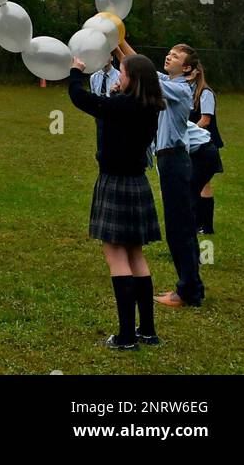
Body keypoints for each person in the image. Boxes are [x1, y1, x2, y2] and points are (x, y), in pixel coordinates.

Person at [68, 51, 164, 350]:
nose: (118, 77)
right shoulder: (150, 105)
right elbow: (115, 109)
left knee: (116, 255)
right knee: (136, 254)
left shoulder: (121, 105)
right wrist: (116, 93)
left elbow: (82, 99)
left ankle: (125, 337)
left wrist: (75, 72)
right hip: (137, 183)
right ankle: (147, 330)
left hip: (115, 183)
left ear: (132, 79)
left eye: (122, 73)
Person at [118, 39, 203, 308]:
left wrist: (117, 45)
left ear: (187, 68)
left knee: (180, 229)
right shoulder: (169, 82)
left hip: (175, 161)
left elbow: (141, 72)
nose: (168, 57)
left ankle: (188, 291)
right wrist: (117, 41)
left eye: (175, 56)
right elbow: (139, 65)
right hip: (170, 162)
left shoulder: (179, 89)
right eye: (168, 53)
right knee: (180, 227)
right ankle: (189, 286)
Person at [183, 52, 223, 235]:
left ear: (197, 72)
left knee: (204, 183)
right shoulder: (185, 90)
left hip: (205, 142)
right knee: (195, 183)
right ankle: (198, 222)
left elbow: (206, 120)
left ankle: (206, 225)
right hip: (192, 143)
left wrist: (187, 131)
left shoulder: (205, 93)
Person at [89, 54, 118, 161]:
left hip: (114, 114)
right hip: (100, 115)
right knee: (101, 142)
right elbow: (93, 95)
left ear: (111, 58)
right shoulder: (94, 77)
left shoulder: (119, 76)